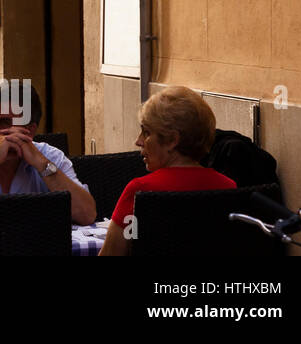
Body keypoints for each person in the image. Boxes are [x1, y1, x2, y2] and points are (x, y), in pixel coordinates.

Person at [99, 86, 236, 256]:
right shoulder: (228, 187)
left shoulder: (139, 190)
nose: (138, 141)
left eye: (146, 132)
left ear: (172, 140)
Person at [0, 81, 96, 225]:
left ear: (29, 130)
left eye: (4, 122)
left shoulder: (50, 157)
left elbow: (86, 215)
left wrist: (41, 164)